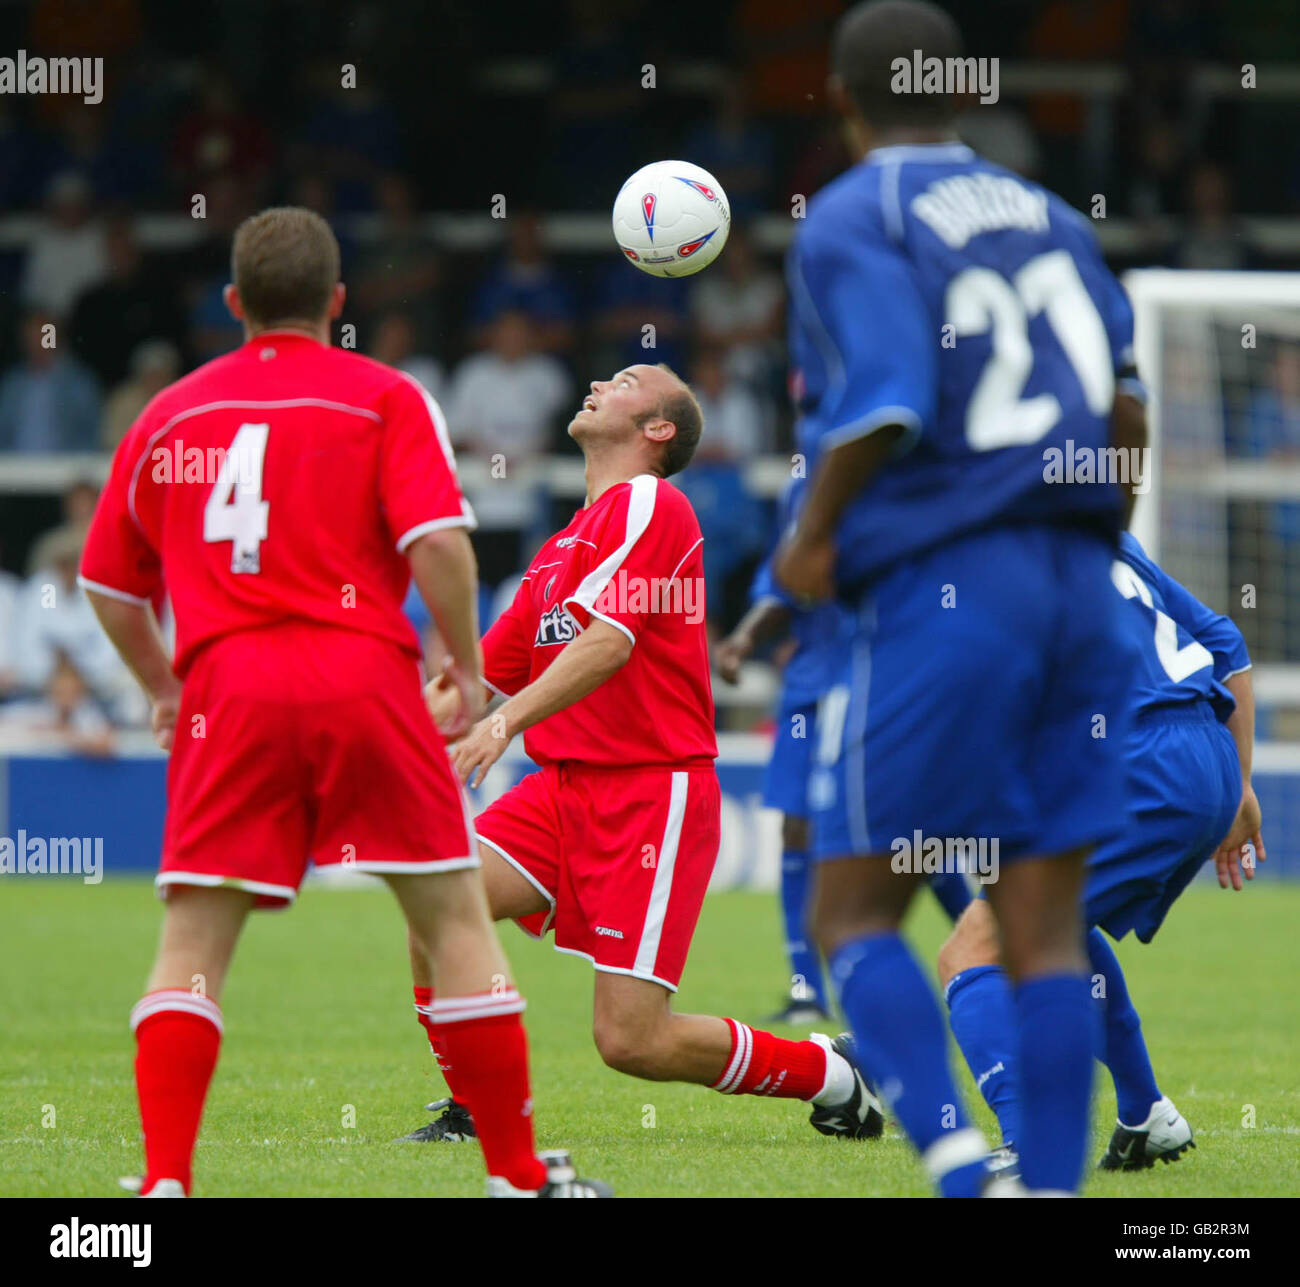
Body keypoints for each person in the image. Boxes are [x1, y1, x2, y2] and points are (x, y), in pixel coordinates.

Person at [77, 206, 606, 1198]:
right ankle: (519, 1177)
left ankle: (162, 1189)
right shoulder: (382, 395)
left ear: (232, 304)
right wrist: (464, 667)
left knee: (192, 943)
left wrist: (163, 688)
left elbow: (108, 585)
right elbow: (440, 544)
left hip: (226, 687)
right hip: (362, 678)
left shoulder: (171, 411)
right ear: (339, 302)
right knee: (453, 920)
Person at [774, 0, 1148, 1196]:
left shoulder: (855, 214)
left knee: (852, 915)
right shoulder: (1049, 218)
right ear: (965, 92)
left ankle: (952, 1168)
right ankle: (1048, 1191)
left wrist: (813, 536)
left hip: (946, 589)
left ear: (839, 96)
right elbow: (1128, 411)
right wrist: (1092, 539)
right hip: (1077, 581)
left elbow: (886, 401)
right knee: (1042, 929)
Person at [404, 362, 883, 1146]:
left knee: (632, 1039)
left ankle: (834, 1072)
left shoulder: (653, 504)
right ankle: (475, 1111)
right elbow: (472, 682)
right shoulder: (560, 548)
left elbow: (609, 641)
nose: (597, 383)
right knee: (433, 902)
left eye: (626, 381)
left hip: (648, 794)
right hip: (561, 790)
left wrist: (505, 723)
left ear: (658, 430)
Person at [937, 533, 1262, 1176]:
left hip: (1136, 763)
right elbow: (1225, 640)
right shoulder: (1093, 529)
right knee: (1058, 923)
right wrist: (1241, 785)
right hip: (1197, 750)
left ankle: (1027, 1147)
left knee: (969, 951)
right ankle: (1148, 1114)